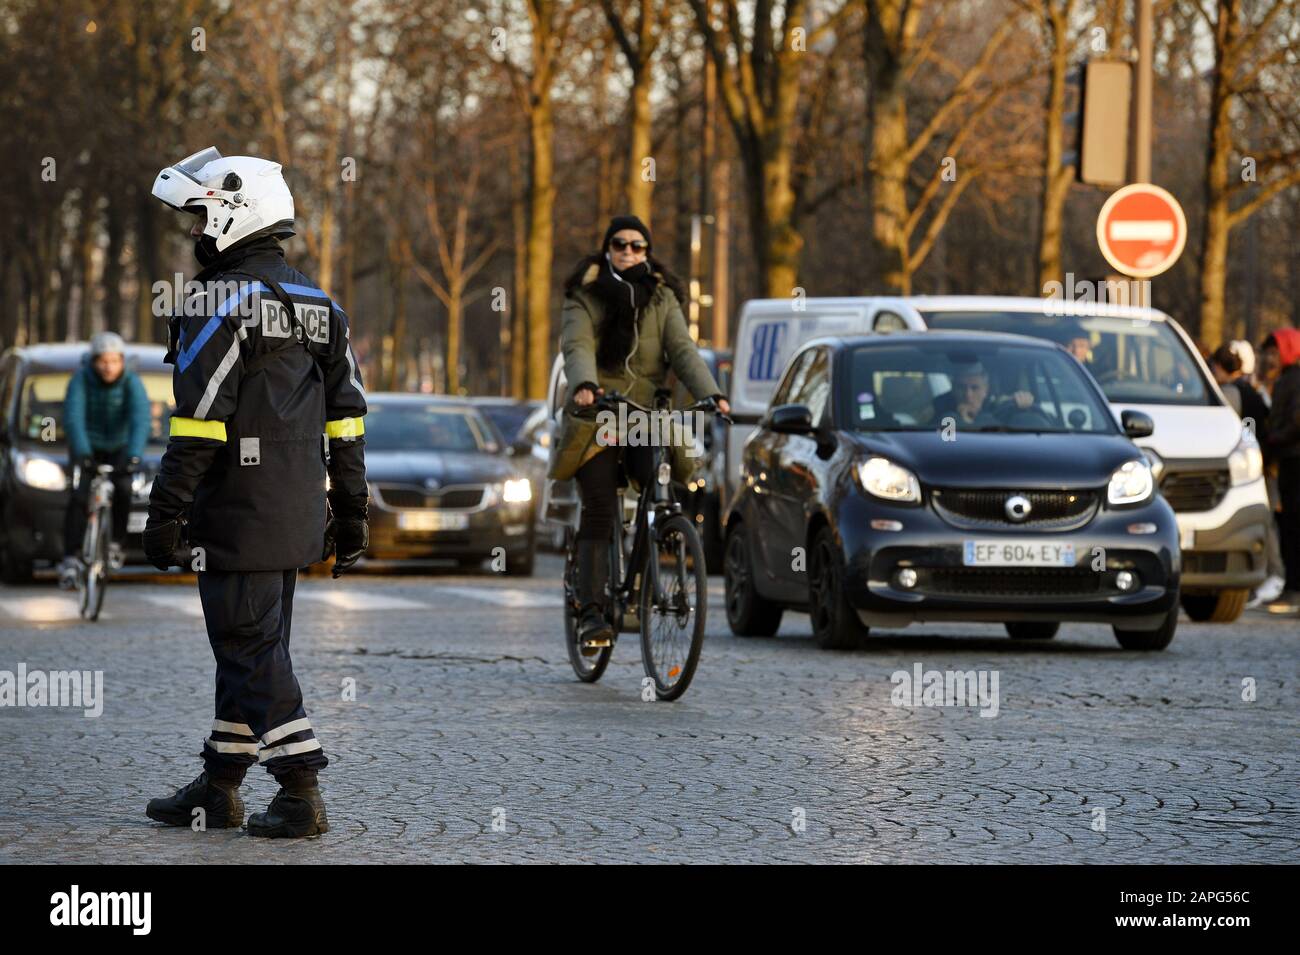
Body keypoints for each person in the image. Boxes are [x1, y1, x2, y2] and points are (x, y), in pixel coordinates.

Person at [141, 147, 369, 837]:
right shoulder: (319, 303)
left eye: (201, 218)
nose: (195, 234)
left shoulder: (219, 301)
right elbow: (349, 417)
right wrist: (352, 511)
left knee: (247, 646)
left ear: (234, 214)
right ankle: (219, 785)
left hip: (236, 513)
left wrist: (164, 512)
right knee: (253, 646)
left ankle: (300, 789)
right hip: (296, 512)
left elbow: (198, 423)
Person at [549, 215, 728, 652]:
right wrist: (586, 385)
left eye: (637, 246)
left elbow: (682, 350)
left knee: (661, 488)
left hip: (647, 415)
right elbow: (577, 345)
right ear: (607, 248)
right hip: (598, 417)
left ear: (647, 252)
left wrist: (712, 395)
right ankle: (591, 611)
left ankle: (643, 577)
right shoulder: (584, 294)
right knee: (599, 507)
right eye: (619, 244)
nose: (628, 252)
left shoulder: (663, 296)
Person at [59, 331, 152, 587]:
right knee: (79, 496)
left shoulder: (132, 382)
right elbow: (73, 418)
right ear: (93, 361)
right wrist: (83, 453)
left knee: (123, 488)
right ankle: (70, 558)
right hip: (88, 446)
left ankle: (115, 544)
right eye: (103, 361)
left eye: (114, 361)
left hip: (120, 446)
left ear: (122, 361)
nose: (108, 366)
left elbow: (140, 419)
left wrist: (134, 454)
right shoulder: (80, 380)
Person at [1259, 329, 1300, 614]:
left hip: (1294, 460)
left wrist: (1274, 437)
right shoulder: (1286, 378)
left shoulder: (1294, 380)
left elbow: (1296, 419)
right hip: (1288, 458)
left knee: (1293, 526)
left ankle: (1294, 589)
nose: (1271, 358)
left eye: (1275, 351)